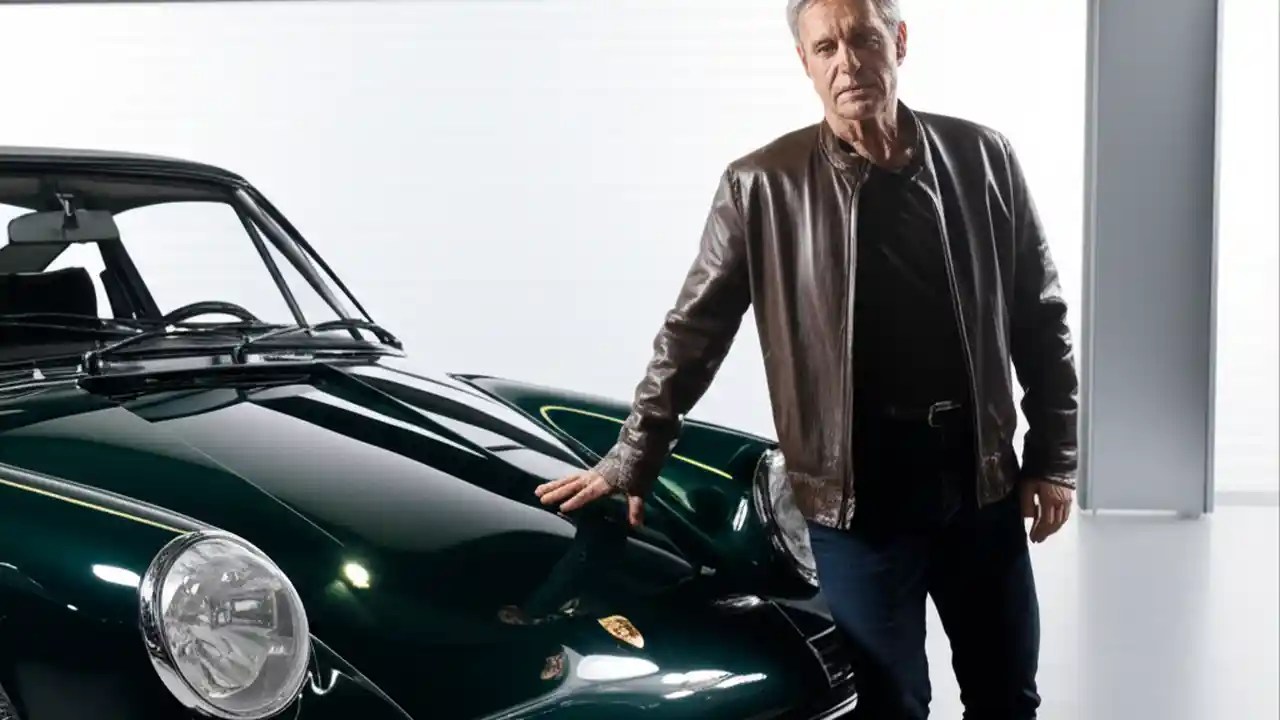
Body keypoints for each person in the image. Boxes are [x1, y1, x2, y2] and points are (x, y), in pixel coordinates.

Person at [535, 0, 1078, 717]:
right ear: (805, 63)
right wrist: (633, 456)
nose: (847, 62)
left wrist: (1053, 458)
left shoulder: (983, 158)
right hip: (855, 498)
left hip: (976, 481)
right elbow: (692, 333)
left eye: (862, 39)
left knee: (1007, 693)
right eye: (825, 48)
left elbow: (1041, 317)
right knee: (890, 704)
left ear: (899, 41)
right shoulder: (759, 185)